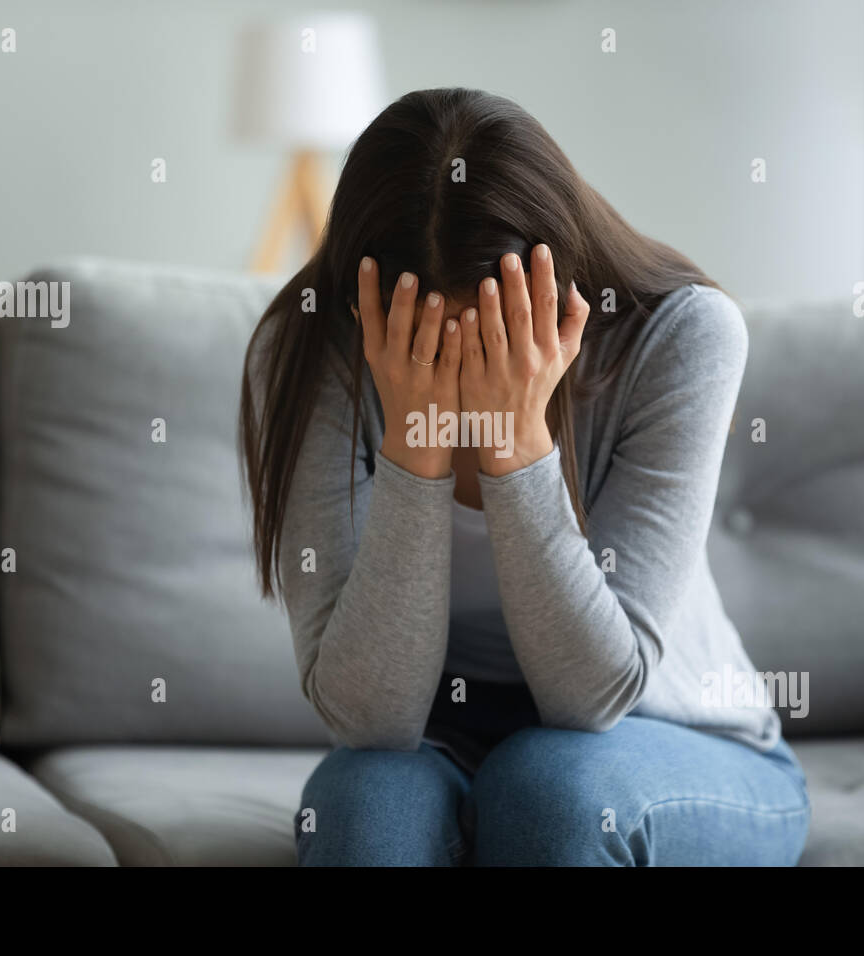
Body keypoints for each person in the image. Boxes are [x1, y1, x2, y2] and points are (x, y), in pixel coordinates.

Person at [241, 87, 810, 866]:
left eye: (495, 336)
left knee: (548, 793)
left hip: (672, 739)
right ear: (363, 300)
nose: (465, 369)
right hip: (436, 739)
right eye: (430, 344)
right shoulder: (309, 353)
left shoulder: (683, 335)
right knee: (361, 808)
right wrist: (418, 437)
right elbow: (368, 722)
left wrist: (516, 441)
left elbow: (595, 695)